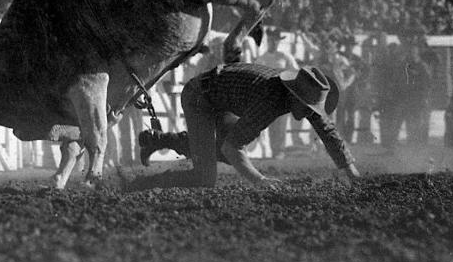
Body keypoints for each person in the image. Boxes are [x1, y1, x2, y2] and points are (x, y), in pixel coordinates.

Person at [137, 63, 360, 188]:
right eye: (307, 107)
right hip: (200, 97)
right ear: (294, 96)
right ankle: (138, 184)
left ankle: (160, 140)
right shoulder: (269, 100)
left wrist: (353, 174)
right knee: (205, 178)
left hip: (218, 94)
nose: (310, 114)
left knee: (222, 151)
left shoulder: (299, 95)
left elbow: (327, 131)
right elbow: (232, 147)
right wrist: (260, 180)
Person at [254, 30, 298, 159]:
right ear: (267, 41)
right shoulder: (261, 59)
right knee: (271, 124)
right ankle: (274, 151)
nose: (273, 42)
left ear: (279, 42)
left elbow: (296, 72)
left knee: (281, 124)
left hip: (283, 95)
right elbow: (255, 76)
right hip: (268, 96)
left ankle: (280, 151)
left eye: (276, 40)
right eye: (271, 40)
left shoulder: (285, 57)